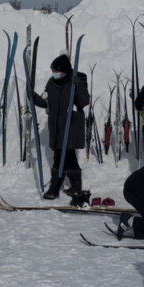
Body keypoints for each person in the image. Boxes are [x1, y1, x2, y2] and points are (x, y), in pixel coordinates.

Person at [31, 53, 89, 202]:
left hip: (71, 125)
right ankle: (75, 187)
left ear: (65, 71)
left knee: (63, 155)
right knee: (66, 155)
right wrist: (34, 97)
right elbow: (45, 102)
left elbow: (83, 102)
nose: (54, 74)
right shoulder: (51, 83)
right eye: (53, 71)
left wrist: (78, 85)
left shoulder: (78, 79)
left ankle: (55, 188)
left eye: (56, 71)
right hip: (56, 126)